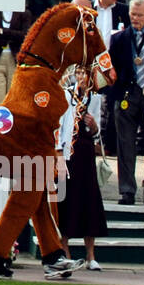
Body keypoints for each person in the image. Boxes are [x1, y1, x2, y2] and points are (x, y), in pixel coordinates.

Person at [103, 0, 144, 205]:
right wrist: (115, 94)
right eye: (133, 15)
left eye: (140, 15)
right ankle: (127, 190)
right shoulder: (119, 38)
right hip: (127, 95)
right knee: (125, 143)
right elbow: (112, 69)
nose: (136, 19)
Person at [56, 80, 107, 271]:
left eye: (83, 73)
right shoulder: (65, 95)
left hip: (85, 153)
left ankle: (90, 255)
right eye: (77, 72)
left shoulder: (94, 98)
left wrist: (93, 125)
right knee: (66, 200)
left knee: (89, 199)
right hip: (68, 151)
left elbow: (96, 132)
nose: (80, 78)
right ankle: (65, 251)